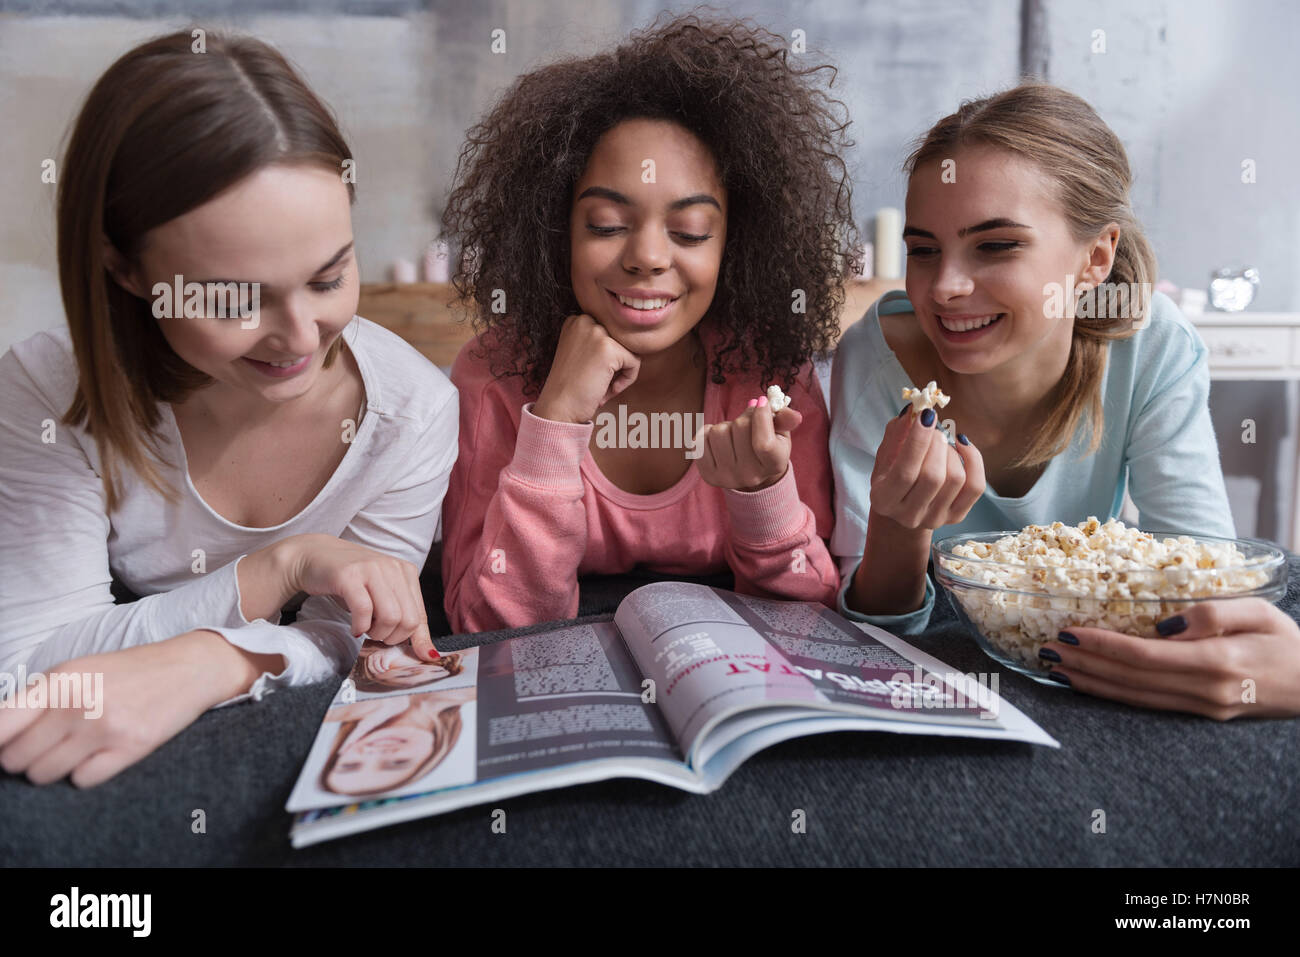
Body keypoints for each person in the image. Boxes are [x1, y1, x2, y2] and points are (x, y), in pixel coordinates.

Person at [0, 31, 458, 788]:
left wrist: (218, 658)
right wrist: (277, 568)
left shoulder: (412, 414)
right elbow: (25, 666)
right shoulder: (48, 390)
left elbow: (353, 642)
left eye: (328, 276)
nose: (299, 336)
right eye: (233, 298)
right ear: (124, 267)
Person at [830, 82, 1300, 719]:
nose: (945, 287)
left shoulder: (1152, 344)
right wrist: (898, 525)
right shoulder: (874, 361)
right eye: (923, 250)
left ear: (1096, 258)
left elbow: (1201, 567)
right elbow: (873, 628)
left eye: (996, 245)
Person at [439, 13, 858, 632]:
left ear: (734, 246)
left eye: (689, 231)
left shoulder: (769, 375)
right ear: (556, 232)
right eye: (607, 224)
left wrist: (761, 497)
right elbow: (487, 624)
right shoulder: (494, 375)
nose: (648, 257)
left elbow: (809, 619)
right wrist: (554, 420)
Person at [318, 690, 474, 797]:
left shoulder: (344, 704)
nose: (374, 755)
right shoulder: (472, 692)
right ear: (431, 755)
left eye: (350, 764)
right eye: (397, 762)